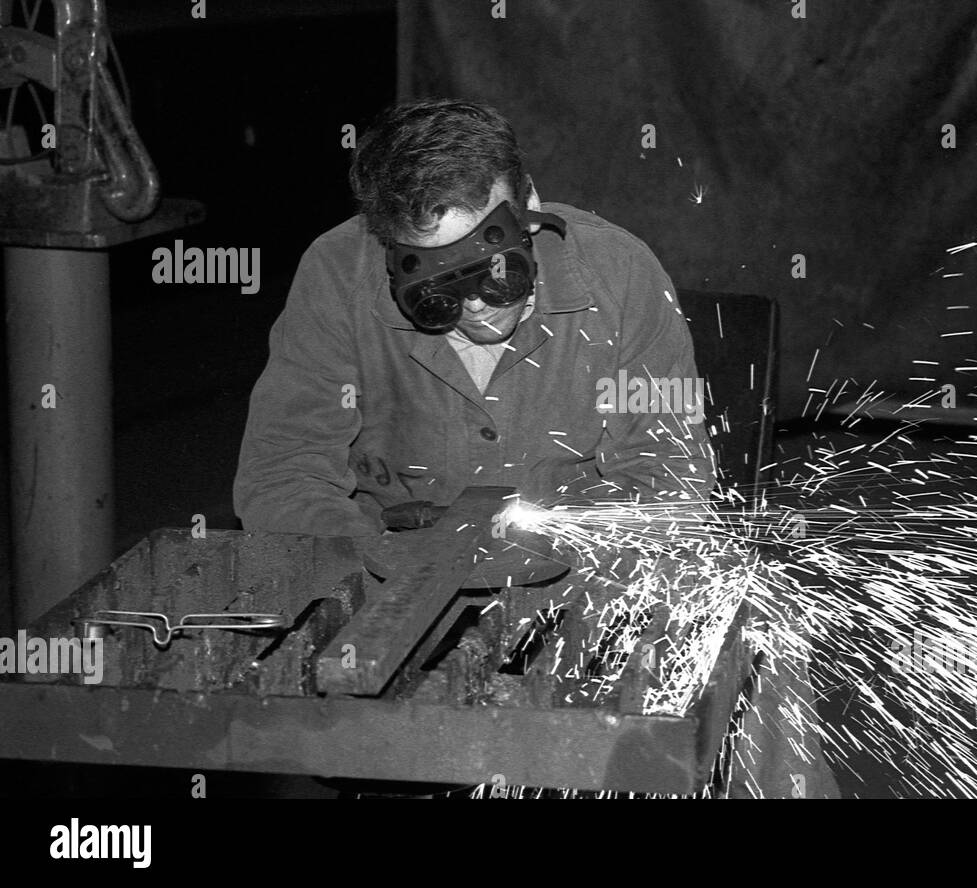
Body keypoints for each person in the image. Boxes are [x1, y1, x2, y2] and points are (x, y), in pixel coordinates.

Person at [233, 98, 838, 797]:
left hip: (584, 585)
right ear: (385, 249)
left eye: (498, 272)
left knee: (745, 631)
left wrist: (557, 544)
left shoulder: (621, 276)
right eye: (436, 292)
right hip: (394, 591)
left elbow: (672, 479)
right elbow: (283, 476)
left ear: (530, 208)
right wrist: (389, 579)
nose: (478, 309)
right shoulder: (337, 276)